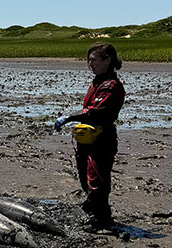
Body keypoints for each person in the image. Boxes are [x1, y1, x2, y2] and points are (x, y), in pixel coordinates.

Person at [53, 43, 125, 230]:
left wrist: (70, 117)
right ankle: (92, 209)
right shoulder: (96, 82)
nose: (90, 65)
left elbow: (96, 112)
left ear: (107, 60)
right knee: (85, 176)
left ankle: (101, 218)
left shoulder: (111, 86)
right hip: (88, 139)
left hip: (102, 139)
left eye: (94, 60)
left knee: (97, 179)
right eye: (88, 61)